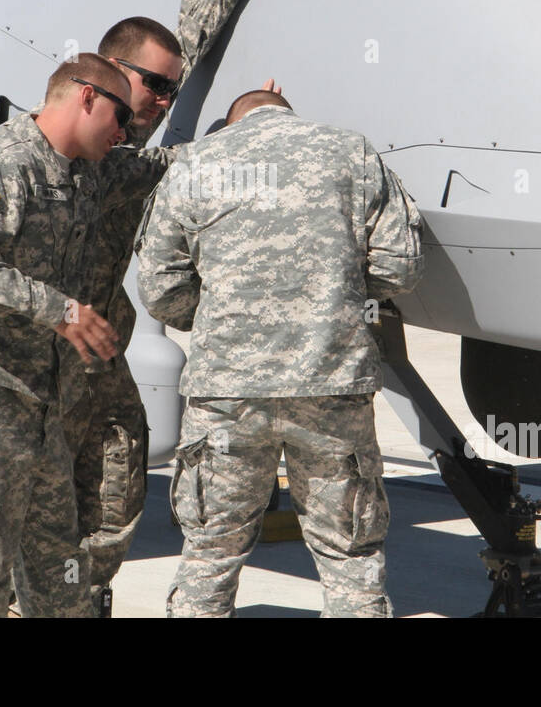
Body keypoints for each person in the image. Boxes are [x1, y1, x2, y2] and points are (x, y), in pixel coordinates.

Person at [58, 0, 288, 616]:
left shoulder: (127, 144)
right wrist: (253, 133)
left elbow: (178, 46)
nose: (163, 102)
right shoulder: (64, 150)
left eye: (169, 90)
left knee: (118, 488)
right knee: (32, 507)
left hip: (99, 358)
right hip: (38, 363)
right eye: (152, 89)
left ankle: (84, 601)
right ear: (103, 80)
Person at [135, 90, 425, 617]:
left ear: (234, 119)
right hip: (331, 387)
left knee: (211, 550)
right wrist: (334, 304)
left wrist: (222, 322)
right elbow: (399, 266)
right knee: (350, 554)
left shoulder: (194, 162)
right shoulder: (352, 152)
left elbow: (160, 288)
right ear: (287, 110)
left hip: (226, 392)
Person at [0, 54, 134, 617]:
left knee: (61, 581)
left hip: (42, 411)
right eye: (121, 116)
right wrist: (59, 310)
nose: (124, 132)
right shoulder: (1, 162)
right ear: (87, 96)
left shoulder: (82, 172)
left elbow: (158, 161)